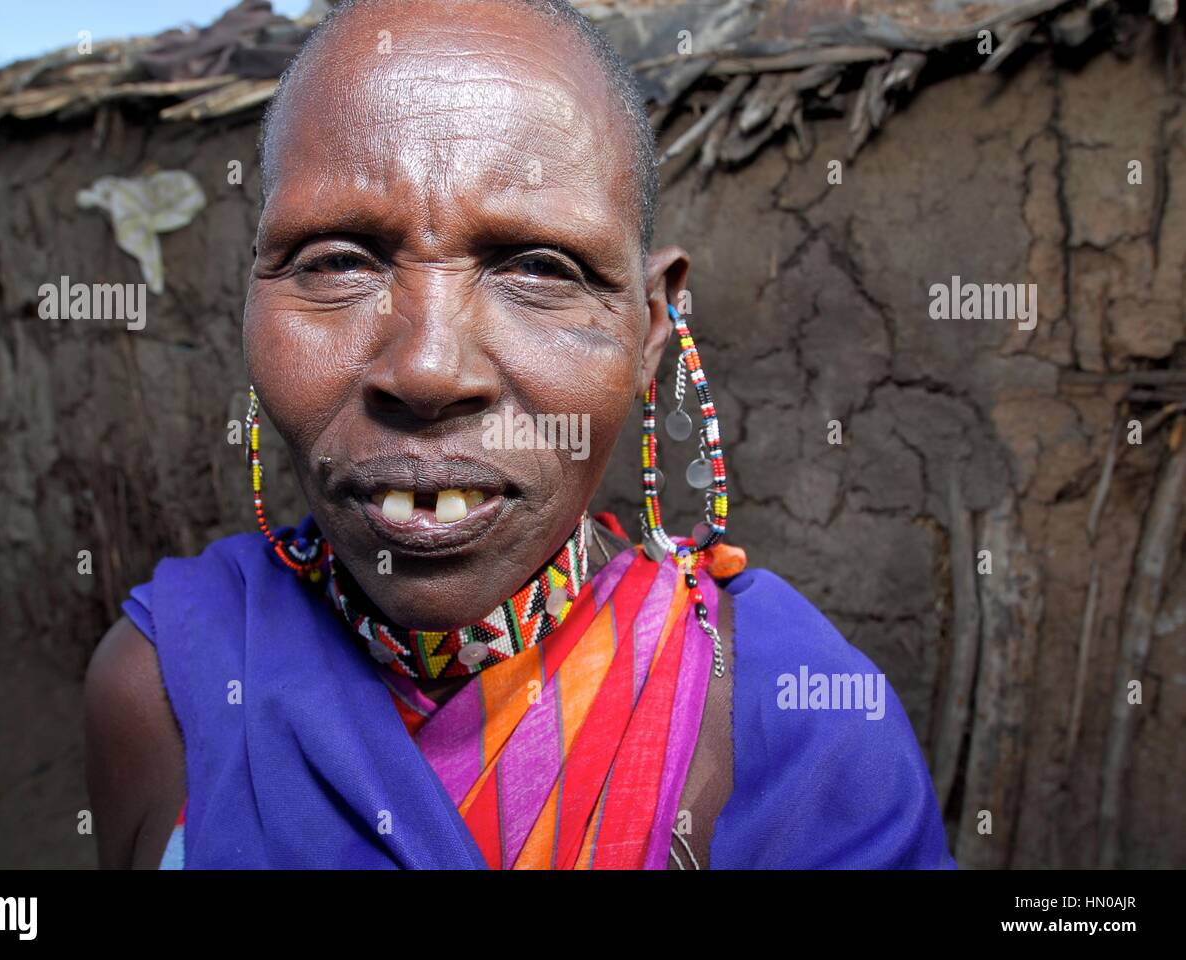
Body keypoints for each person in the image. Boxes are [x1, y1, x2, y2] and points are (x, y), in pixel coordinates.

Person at [84, 0, 955, 870]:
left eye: (539, 268)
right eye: (338, 261)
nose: (426, 370)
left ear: (651, 329)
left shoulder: (809, 729)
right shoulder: (159, 688)